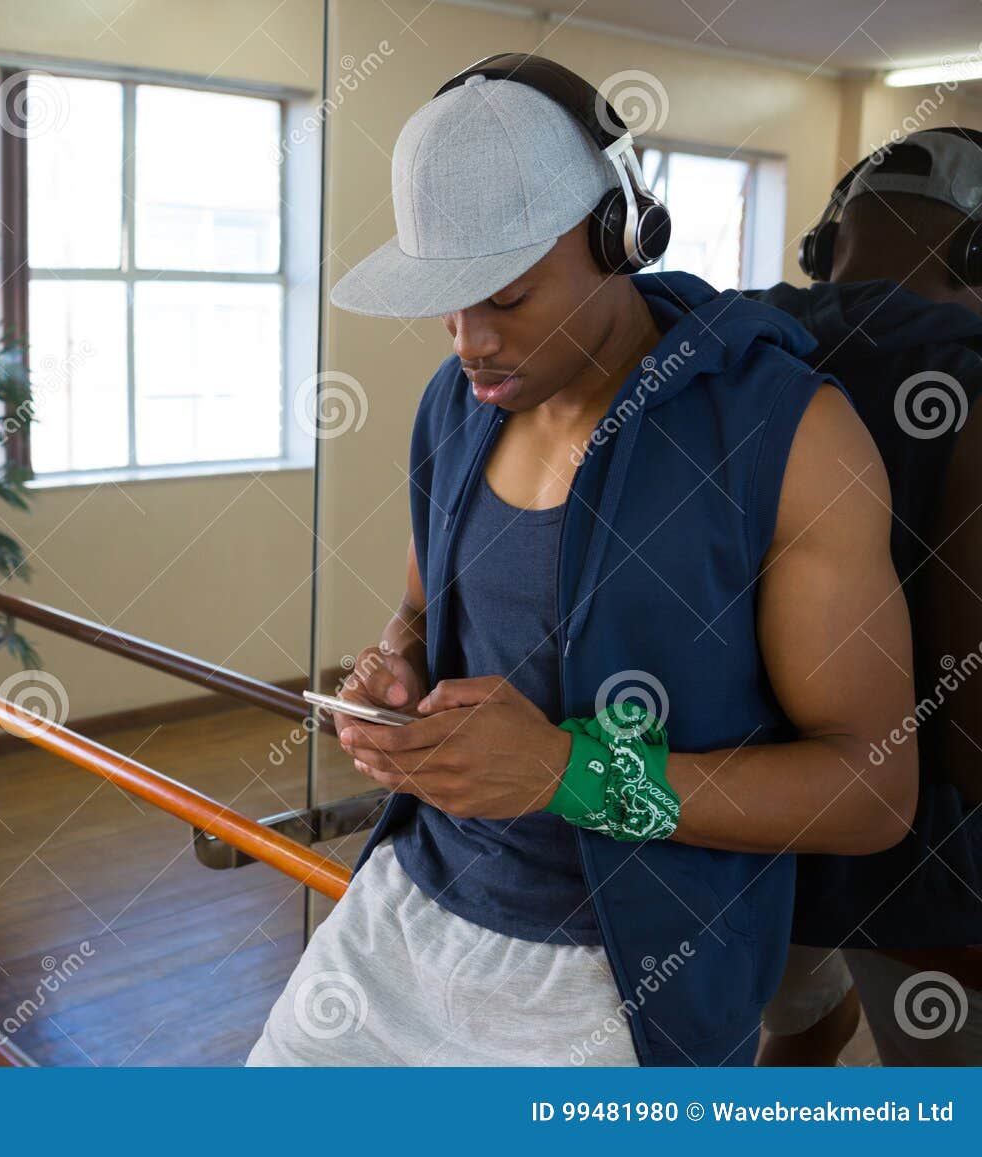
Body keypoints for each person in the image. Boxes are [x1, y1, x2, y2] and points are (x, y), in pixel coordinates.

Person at [245, 53, 916, 1068]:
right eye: (449, 300)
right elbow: (425, 613)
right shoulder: (456, 408)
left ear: (618, 236)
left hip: (626, 967)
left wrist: (571, 774)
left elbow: (872, 791)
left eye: (506, 298)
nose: (469, 341)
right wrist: (393, 670)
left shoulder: (787, 436)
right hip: (407, 905)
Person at [748, 128, 982, 1066]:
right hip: (918, 850)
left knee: (803, 1020)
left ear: (823, 242)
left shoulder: (733, 351)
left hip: (746, 822)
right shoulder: (967, 378)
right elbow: (969, 710)